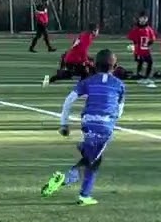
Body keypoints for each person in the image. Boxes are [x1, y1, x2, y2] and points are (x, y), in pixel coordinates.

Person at [40, 48, 126, 206]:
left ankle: (84, 195)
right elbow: (120, 110)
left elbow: (68, 101)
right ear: (115, 66)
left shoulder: (88, 81)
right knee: (92, 161)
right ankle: (66, 179)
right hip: (105, 125)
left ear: (95, 65)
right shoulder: (119, 85)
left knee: (94, 159)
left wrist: (63, 124)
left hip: (87, 122)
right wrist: (111, 121)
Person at [126, 12, 156, 79]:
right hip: (139, 50)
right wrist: (134, 47)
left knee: (150, 62)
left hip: (146, 50)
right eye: (142, 18)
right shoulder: (136, 29)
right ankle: (138, 74)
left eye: (145, 18)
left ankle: (147, 75)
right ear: (139, 19)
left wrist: (150, 43)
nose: (144, 20)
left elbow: (153, 38)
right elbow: (132, 38)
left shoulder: (148, 29)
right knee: (140, 62)